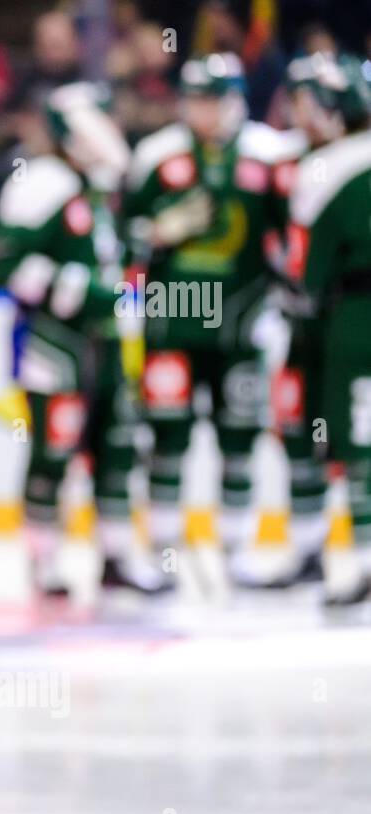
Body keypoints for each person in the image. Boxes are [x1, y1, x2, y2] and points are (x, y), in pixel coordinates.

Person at [123, 53, 301, 585]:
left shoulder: (272, 154)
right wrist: (157, 231)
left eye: (218, 96)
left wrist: (282, 303)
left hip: (242, 325)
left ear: (238, 97)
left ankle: (236, 550)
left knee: (240, 438)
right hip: (171, 324)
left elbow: (295, 238)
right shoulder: (158, 155)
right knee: (167, 438)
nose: (207, 109)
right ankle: (163, 554)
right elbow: (116, 237)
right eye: (198, 97)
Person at [0, 82, 169, 598]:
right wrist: (87, 293)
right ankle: (44, 564)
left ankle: (115, 558)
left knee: (119, 446)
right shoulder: (41, 182)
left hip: (111, 341)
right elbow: (8, 266)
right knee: (52, 450)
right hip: (57, 342)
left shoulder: (105, 187)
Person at [286, 52, 371, 604]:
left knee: (359, 441)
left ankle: (363, 564)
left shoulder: (323, 169)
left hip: (353, 319)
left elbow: (305, 275)